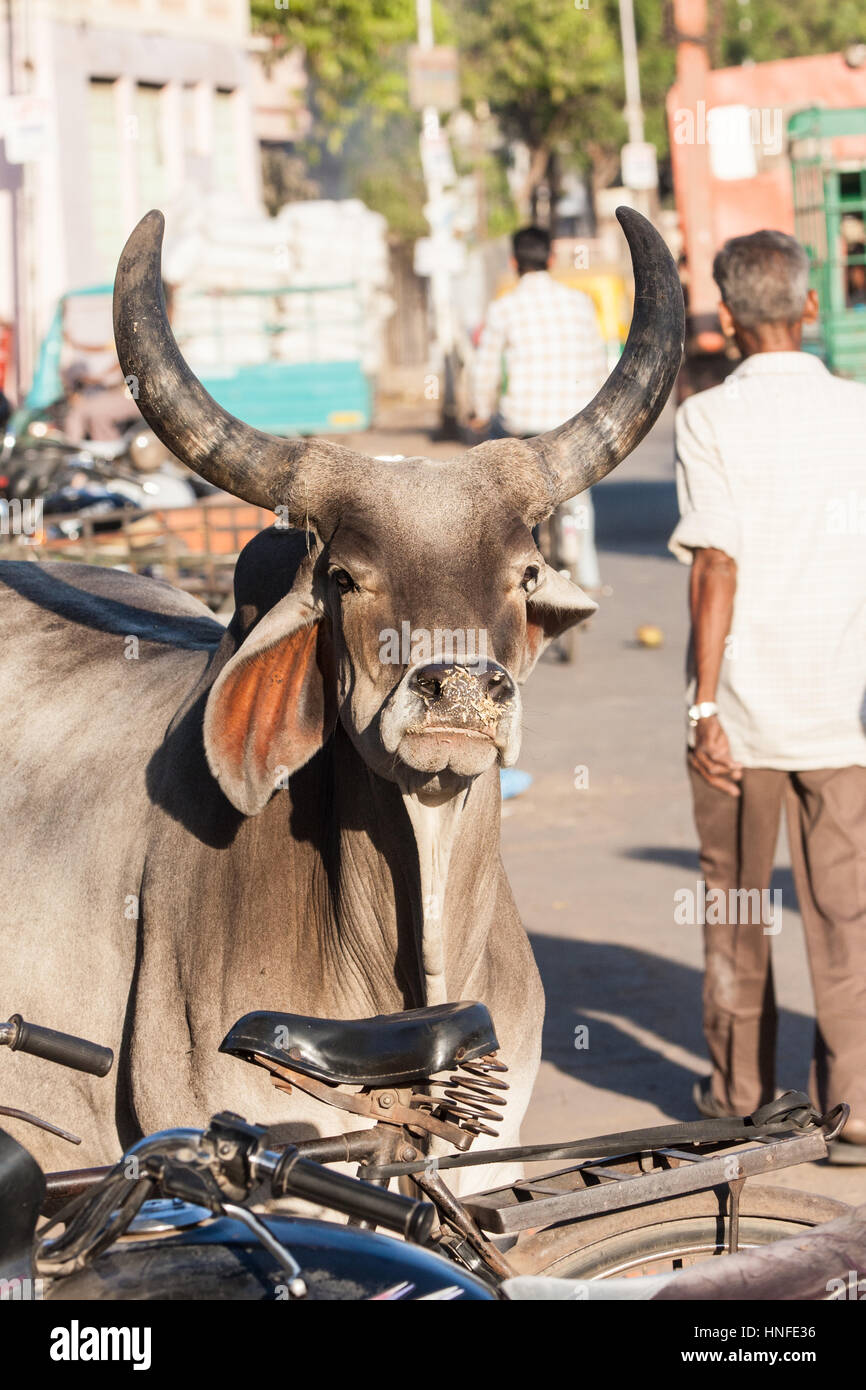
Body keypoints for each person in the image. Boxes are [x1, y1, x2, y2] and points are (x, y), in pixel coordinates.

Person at [669, 229, 866, 1159]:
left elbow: (716, 564)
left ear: (727, 318)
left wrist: (704, 709)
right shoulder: (860, 412)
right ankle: (855, 1105)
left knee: (741, 905)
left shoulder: (709, 420)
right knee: (845, 911)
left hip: (740, 717)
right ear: (811, 308)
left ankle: (745, 1097)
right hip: (844, 713)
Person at [469, 225, 607, 593]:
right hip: (571, 424)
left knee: (509, 501)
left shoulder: (503, 308)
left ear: (514, 262)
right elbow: (597, 365)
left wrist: (480, 411)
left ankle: (513, 571)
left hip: (522, 424)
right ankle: (588, 577)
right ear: (552, 259)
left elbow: (484, 371)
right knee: (578, 498)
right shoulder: (580, 303)